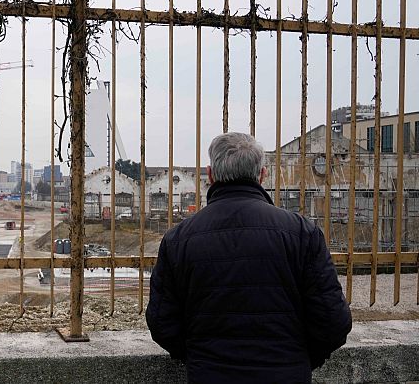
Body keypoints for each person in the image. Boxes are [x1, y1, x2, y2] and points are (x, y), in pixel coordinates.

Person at [146, 132, 351, 383]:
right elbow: (333, 321)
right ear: (262, 175)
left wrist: (198, 357)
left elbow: (162, 323)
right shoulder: (301, 233)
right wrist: (300, 360)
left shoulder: (179, 240)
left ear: (210, 175)